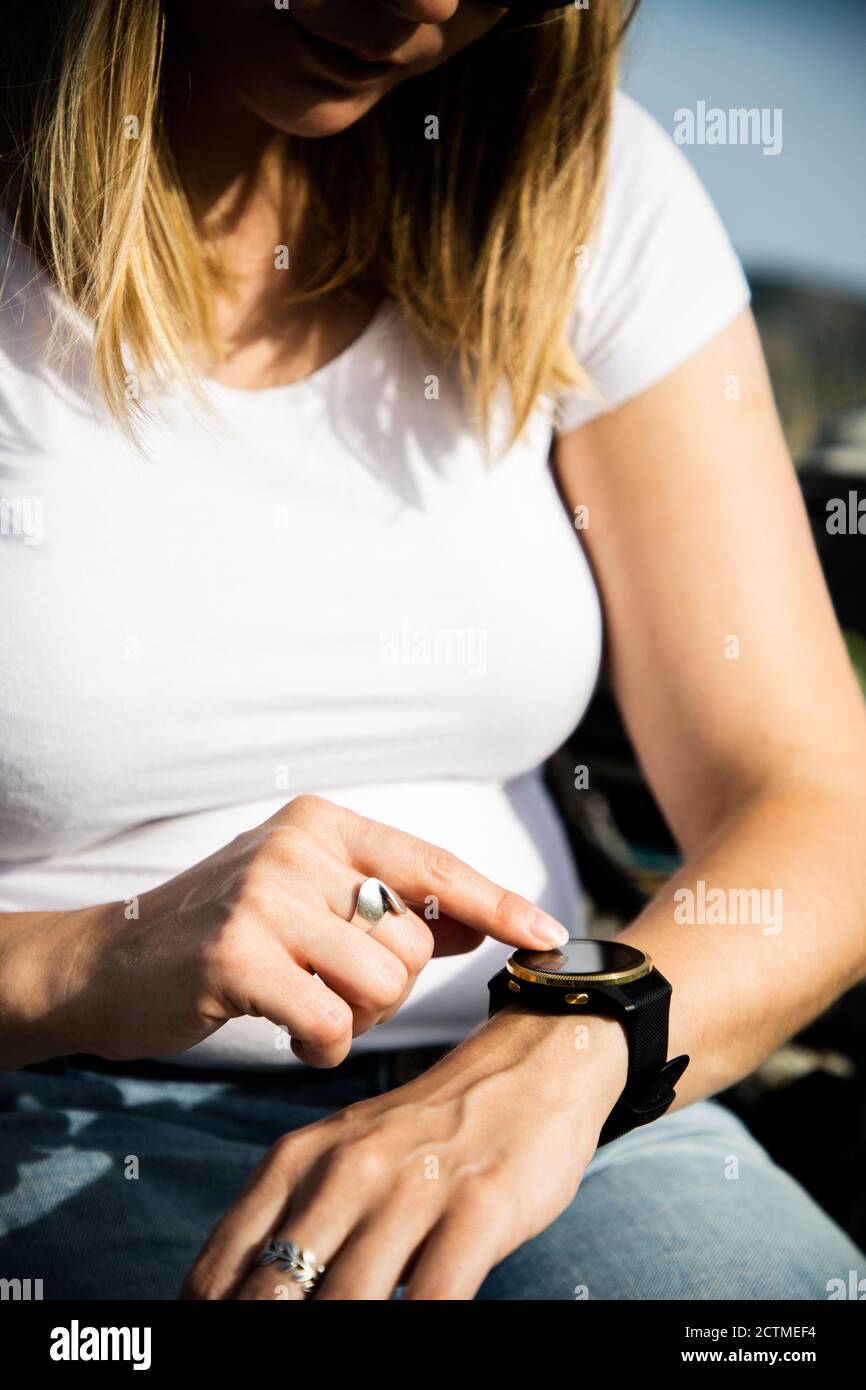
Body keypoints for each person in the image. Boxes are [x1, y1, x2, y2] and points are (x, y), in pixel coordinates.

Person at [1, 0, 864, 1302]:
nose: (423, 5)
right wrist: (89, 956)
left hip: (551, 1101)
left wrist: (572, 1049)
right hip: (49, 1112)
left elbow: (814, 802)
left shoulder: (584, 189)